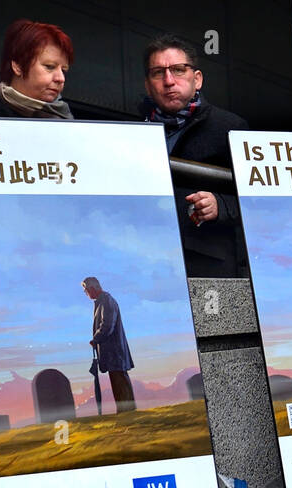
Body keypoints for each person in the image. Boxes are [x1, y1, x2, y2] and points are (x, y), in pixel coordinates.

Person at [139, 35, 248, 278]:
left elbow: (259, 203)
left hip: (209, 268)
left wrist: (220, 205)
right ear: (147, 85)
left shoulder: (230, 127)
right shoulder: (135, 133)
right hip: (151, 262)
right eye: (158, 73)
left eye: (179, 70)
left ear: (196, 79)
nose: (169, 81)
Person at [0, 20, 74, 118]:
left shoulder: (67, 120)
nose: (60, 78)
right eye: (49, 67)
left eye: (63, 70)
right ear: (18, 66)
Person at [82, 277, 136, 414]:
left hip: (115, 351)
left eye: (85, 290)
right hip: (113, 351)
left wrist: (95, 339)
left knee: (120, 381)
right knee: (118, 380)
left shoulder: (106, 301)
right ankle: (125, 411)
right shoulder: (103, 301)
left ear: (92, 289)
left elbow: (107, 325)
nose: (86, 293)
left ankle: (127, 411)